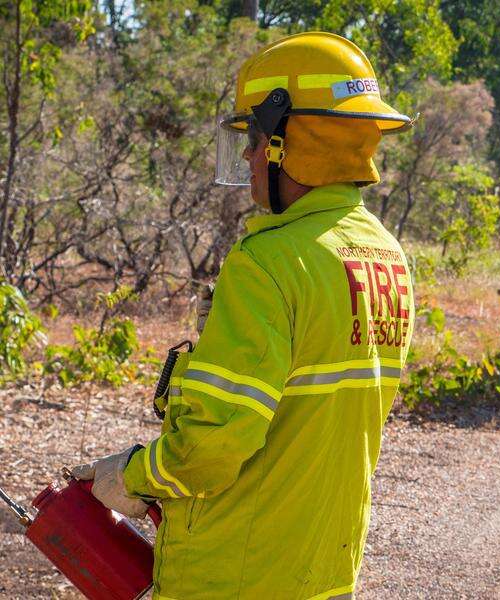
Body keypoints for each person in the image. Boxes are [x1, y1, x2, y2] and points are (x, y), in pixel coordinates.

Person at [72, 32, 415, 599]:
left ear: (288, 141)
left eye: (256, 140)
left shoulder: (269, 261)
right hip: (322, 571)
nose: (251, 158)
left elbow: (212, 446)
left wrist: (132, 476)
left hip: (235, 574)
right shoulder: (385, 255)